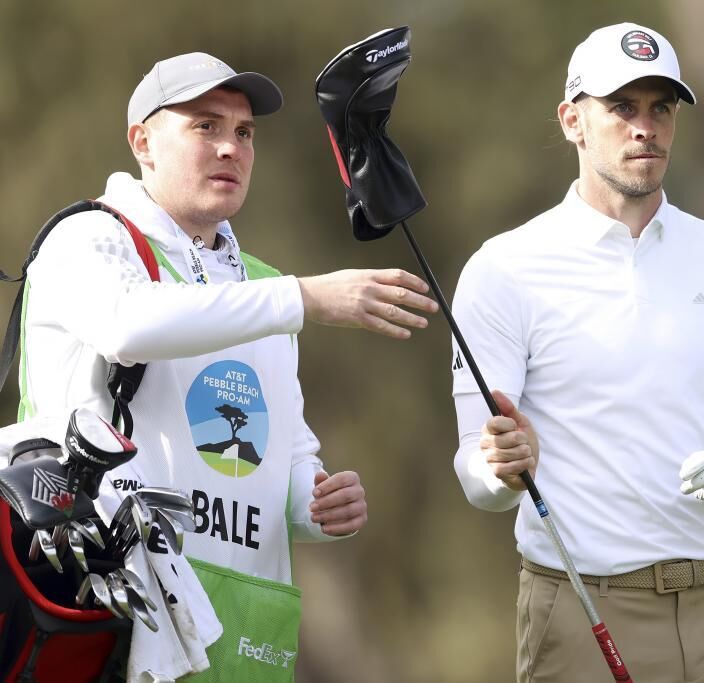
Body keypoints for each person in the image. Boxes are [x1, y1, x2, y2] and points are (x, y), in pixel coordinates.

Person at [17, 52, 437, 676]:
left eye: (243, 133)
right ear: (143, 142)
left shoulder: (262, 286)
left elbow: (284, 458)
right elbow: (126, 324)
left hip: (243, 618)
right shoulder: (88, 238)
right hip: (110, 606)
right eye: (205, 126)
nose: (229, 149)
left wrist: (316, 504)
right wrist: (304, 296)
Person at [450, 23, 704, 683]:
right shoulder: (505, 268)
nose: (646, 126)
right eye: (622, 108)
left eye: (661, 108)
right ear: (572, 121)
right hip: (581, 610)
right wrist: (502, 470)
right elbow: (476, 474)